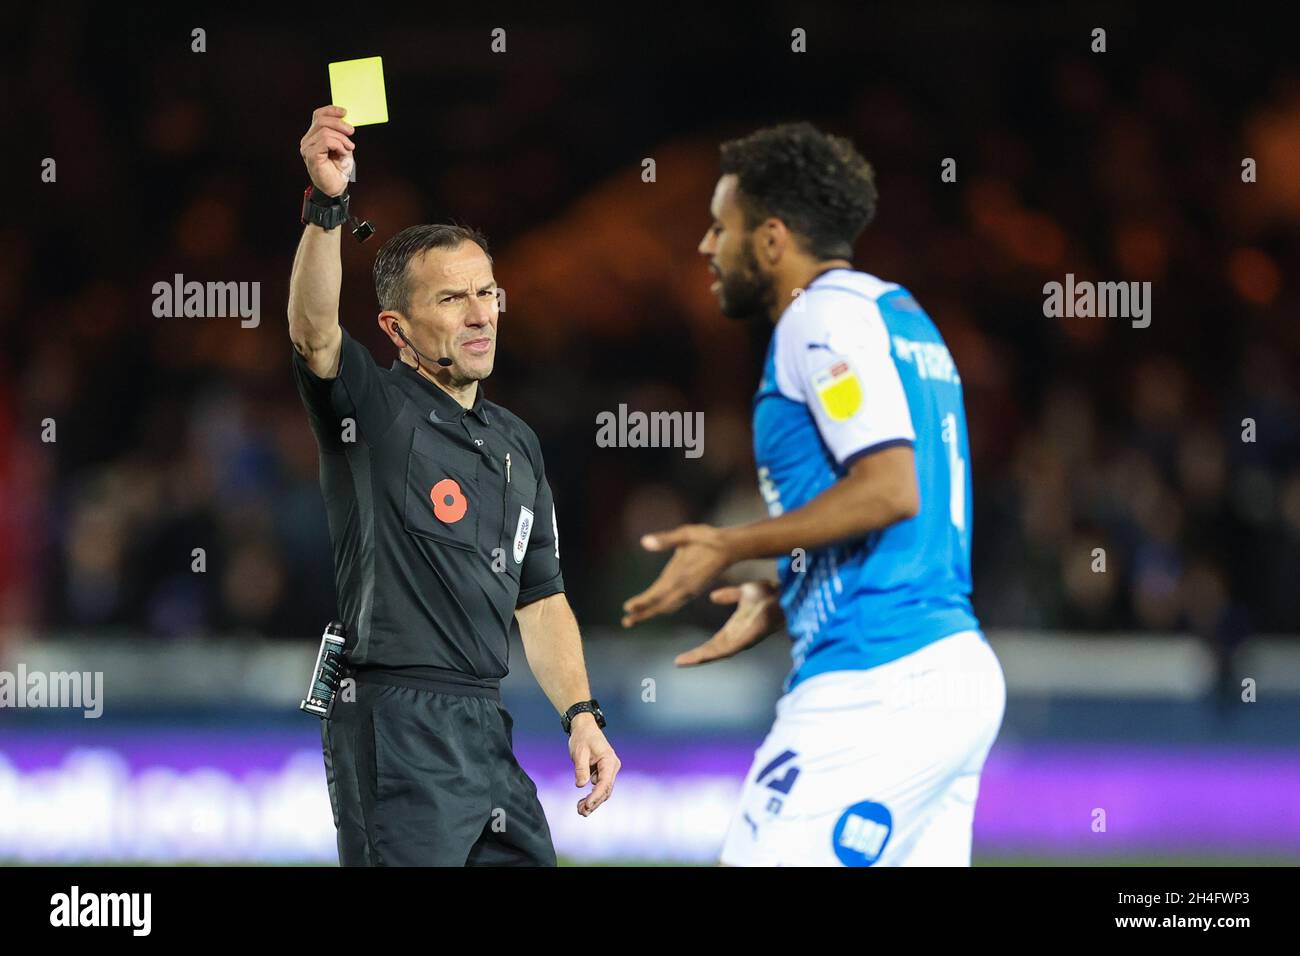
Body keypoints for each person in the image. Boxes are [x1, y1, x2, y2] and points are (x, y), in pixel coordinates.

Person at [622, 122, 1004, 866]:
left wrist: (729, 545)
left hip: (876, 681)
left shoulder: (817, 319)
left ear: (770, 239)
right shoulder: (903, 318)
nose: (706, 246)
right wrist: (789, 588)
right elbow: (892, 510)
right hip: (943, 671)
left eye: (719, 226)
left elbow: (891, 490)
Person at [289, 105, 619, 866]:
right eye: (451, 299)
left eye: (489, 293)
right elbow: (312, 332)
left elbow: (541, 598)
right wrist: (326, 208)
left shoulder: (517, 442)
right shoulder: (372, 411)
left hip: (484, 726)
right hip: (391, 720)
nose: (482, 316)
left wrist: (581, 713)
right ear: (396, 329)